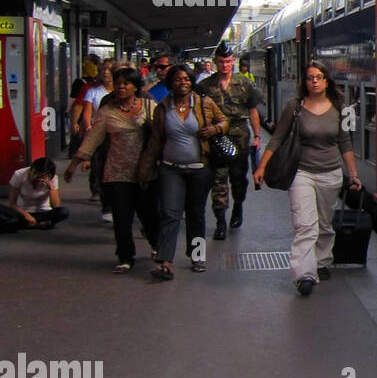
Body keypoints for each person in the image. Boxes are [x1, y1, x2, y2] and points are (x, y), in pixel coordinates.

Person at [252, 61, 361, 296]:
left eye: (319, 77)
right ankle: (304, 275)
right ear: (304, 82)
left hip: (330, 173)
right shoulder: (294, 107)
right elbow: (277, 139)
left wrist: (353, 174)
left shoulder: (340, 107)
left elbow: (345, 142)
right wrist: (261, 167)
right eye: (310, 77)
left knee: (323, 224)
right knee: (304, 225)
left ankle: (321, 261)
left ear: (326, 80)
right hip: (301, 172)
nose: (315, 81)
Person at [137, 64, 229, 279]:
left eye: (187, 79)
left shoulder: (204, 103)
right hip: (171, 169)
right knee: (170, 214)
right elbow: (155, 142)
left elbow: (224, 121)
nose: (183, 83)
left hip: (200, 170)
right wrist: (144, 169)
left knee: (196, 214)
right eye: (178, 79)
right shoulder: (162, 108)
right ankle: (165, 261)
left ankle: (197, 256)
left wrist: (215, 129)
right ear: (170, 82)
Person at [64, 67, 159, 272]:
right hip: (116, 172)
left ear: (136, 87)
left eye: (126, 83)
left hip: (144, 172)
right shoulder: (107, 112)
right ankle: (125, 257)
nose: (121, 87)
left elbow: (162, 135)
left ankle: (156, 245)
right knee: (122, 217)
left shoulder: (150, 107)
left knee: (149, 214)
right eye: (118, 84)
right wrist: (74, 164)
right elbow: (92, 140)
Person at [196, 42, 263, 238]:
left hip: (239, 136)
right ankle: (220, 222)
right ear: (215, 62)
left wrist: (258, 136)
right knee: (218, 181)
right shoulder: (205, 86)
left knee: (238, 179)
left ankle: (238, 206)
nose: (225, 65)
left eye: (228, 61)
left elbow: (253, 111)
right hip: (216, 138)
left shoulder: (245, 84)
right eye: (221, 62)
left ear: (232, 61)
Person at [75, 58, 117, 220]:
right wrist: (89, 130)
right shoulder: (93, 91)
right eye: (102, 70)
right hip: (100, 137)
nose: (105, 72)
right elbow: (87, 114)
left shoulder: (125, 90)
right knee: (101, 168)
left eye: (108, 69)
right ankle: (106, 203)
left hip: (119, 138)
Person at [0, 157, 69, 233]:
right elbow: (12, 203)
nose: (38, 178)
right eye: (35, 174)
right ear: (31, 169)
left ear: (49, 175)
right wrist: (26, 215)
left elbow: (56, 206)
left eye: (42, 176)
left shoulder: (53, 178)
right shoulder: (19, 174)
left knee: (63, 212)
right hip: (21, 212)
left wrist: (51, 187)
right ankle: (38, 224)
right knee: (10, 217)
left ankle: (28, 224)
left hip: (42, 213)